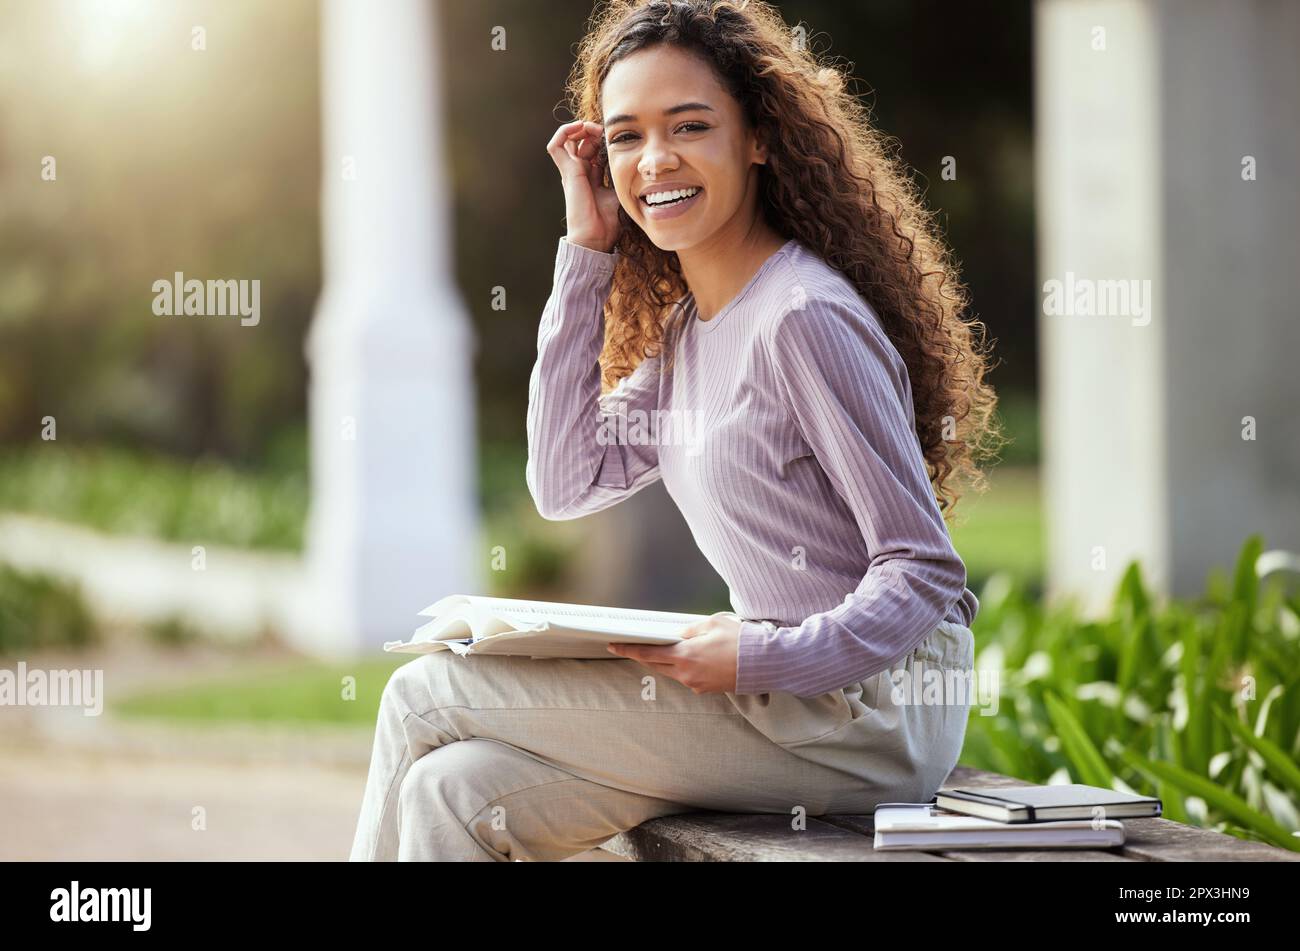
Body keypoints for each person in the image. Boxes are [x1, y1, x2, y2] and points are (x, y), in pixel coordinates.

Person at [349, 0, 1003, 862]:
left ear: (758, 137)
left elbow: (924, 573)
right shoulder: (693, 331)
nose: (655, 160)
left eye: (689, 125)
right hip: (783, 702)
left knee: (421, 694)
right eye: (625, 137)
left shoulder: (801, 318)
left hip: (869, 716)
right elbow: (564, 480)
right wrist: (586, 254)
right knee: (452, 790)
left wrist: (762, 657)